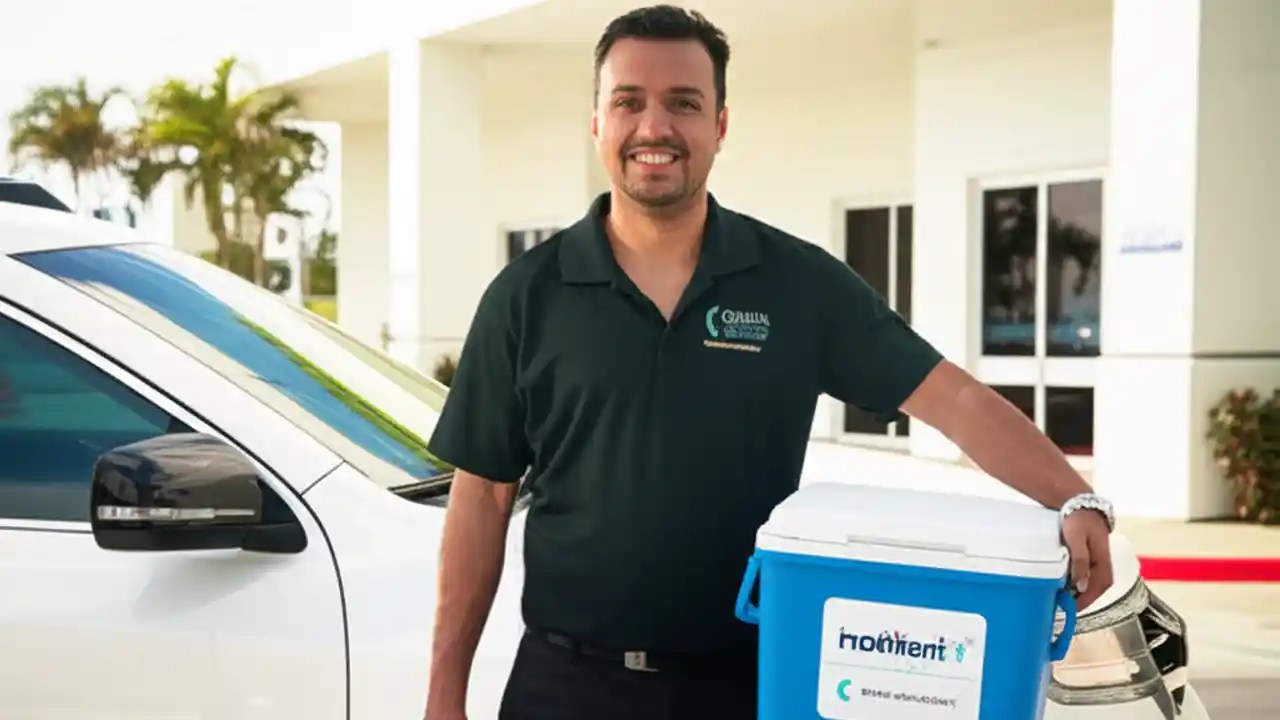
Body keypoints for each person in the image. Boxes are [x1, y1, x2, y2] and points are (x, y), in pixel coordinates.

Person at [422, 5, 1115, 719]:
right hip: (565, 687)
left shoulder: (796, 284)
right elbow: (483, 499)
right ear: (597, 122)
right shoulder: (527, 295)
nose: (654, 128)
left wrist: (1075, 495)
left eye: (683, 104)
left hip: (750, 682)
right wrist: (445, 692)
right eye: (628, 101)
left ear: (720, 126)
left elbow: (954, 400)